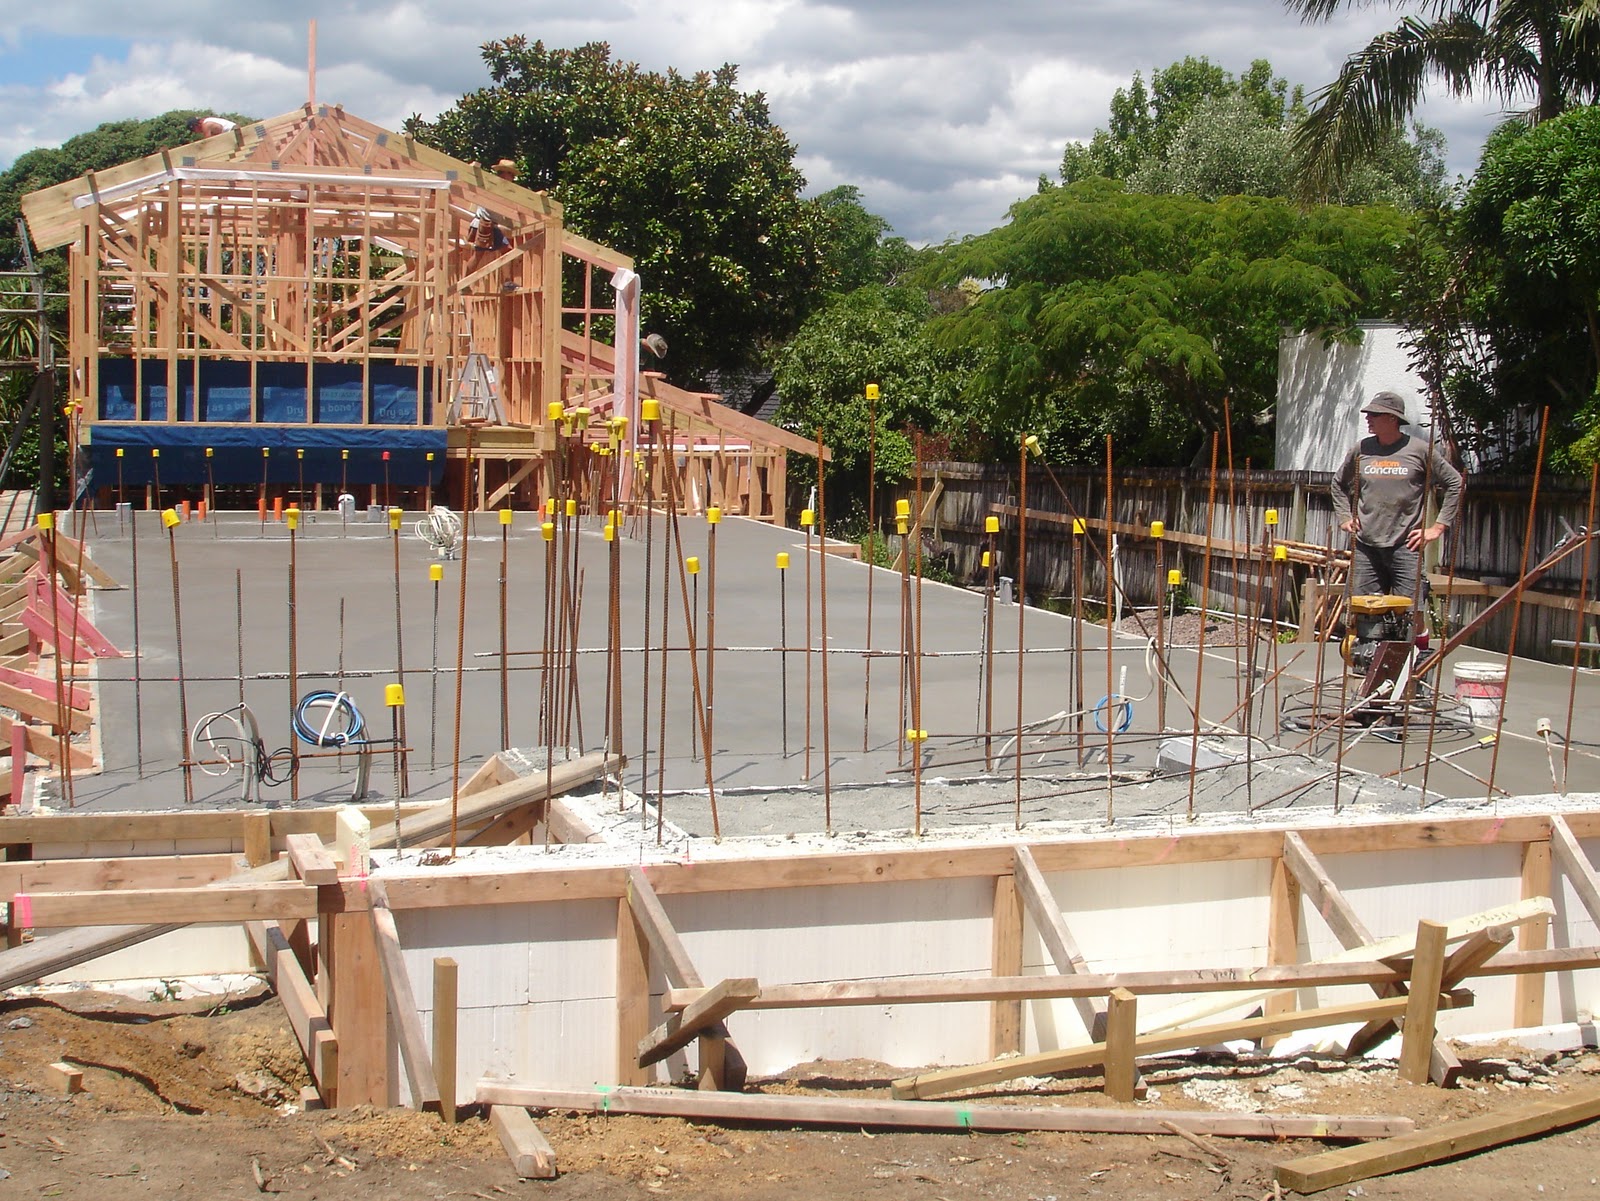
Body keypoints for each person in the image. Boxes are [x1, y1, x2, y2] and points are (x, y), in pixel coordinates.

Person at [1331, 390, 1463, 631]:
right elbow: (1338, 483)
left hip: (1406, 546)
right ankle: (1368, 662)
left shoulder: (1419, 450)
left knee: (1411, 615)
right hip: (1366, 546)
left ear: (1392, 419)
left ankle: (1413, 661)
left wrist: (1438, 527)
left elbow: (1456, 483)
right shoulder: (1362, 449)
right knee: (1363, 612)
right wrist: (1344, 517)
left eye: (1374, 414)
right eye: (1368, 414)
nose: (1368, 418)